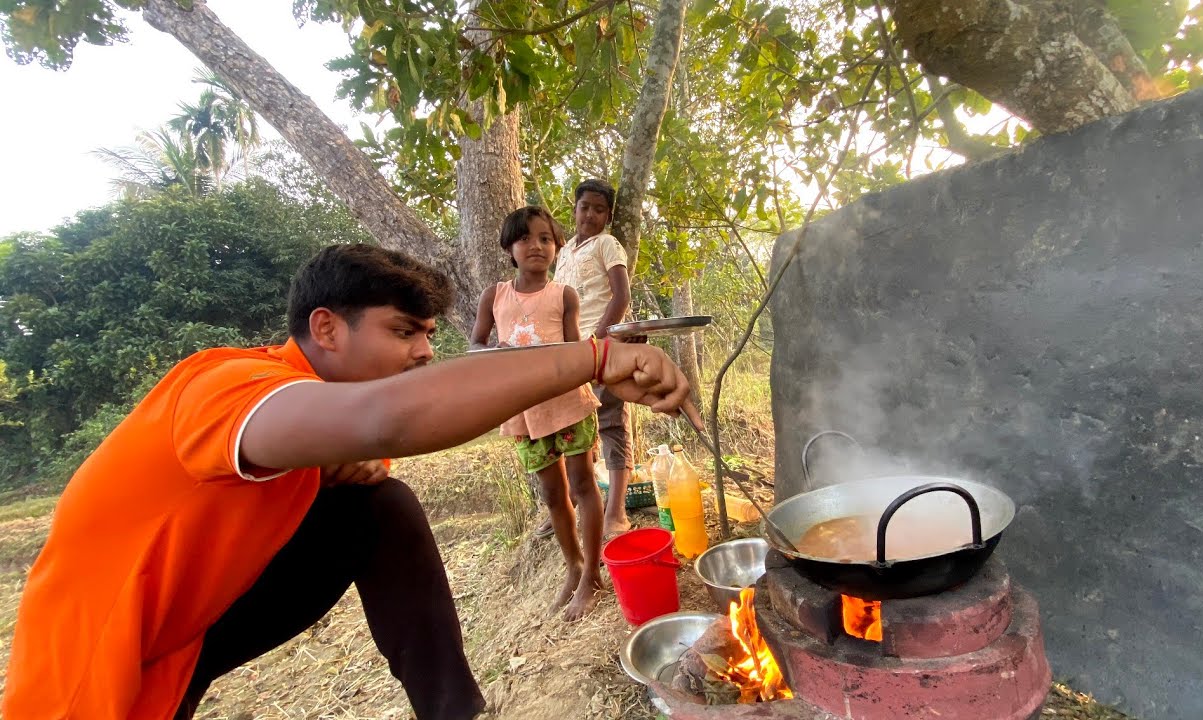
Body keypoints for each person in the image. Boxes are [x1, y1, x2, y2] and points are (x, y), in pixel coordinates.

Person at [2, 244, 693, 720]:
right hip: (92, 677)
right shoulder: (226, 388)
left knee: (378, 508)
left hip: (185, 638)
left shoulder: (316, 425)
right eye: (404, 331)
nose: (425, 351)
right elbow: (385, 420)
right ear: (326, 329)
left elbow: (374, 442)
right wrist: (596, 357)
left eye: (426, 332)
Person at [469, 207, 604, 621]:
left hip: (566, 403)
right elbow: (475, 345)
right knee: (551, 493)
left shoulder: (564, 296)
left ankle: (592, 576)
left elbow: (574, 349)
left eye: (546, 238)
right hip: (525, 411)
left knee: (583, 485)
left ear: (557, 248)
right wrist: (498, 353)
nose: (537, 246)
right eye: (526, 238)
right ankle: (574, 565)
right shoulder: (495, 297)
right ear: (510, 247)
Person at [549, 179, 636, 541]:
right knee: (571, 428)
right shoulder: (565, 251)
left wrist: (601, 336)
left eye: (599, 209)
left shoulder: (607, 244)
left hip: (601, 347)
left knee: (612, 422)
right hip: (570, 354)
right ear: (575, 208)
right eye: (585, 207)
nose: (591, 215)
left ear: (608, 216)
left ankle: (616, 510)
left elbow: (621, 295)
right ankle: (569, 502)